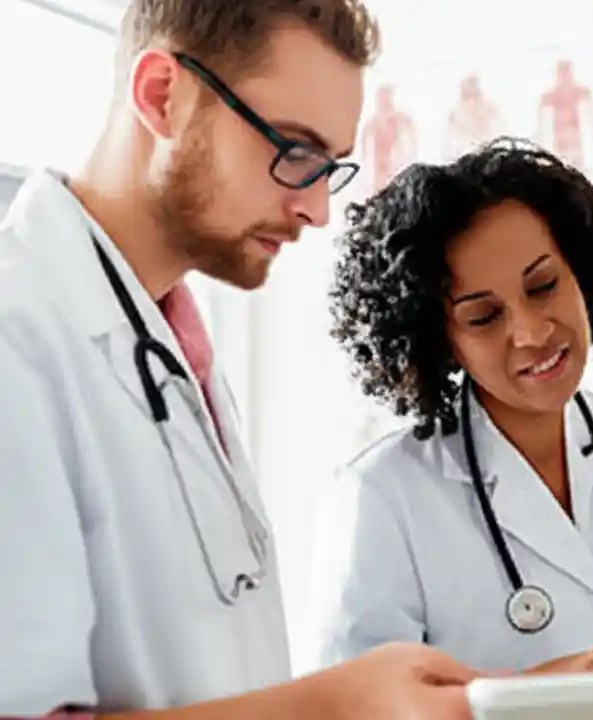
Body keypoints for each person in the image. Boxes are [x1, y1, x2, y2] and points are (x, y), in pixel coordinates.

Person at [0, 1, 482, 718]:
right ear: (162, 95)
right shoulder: (20, 338)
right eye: (293, 151)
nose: (317, 209)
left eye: (330, 168)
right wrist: (327, 709)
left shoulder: (169, 354)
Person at [311, 138, 593, 675]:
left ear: (582, 273)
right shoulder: (385, 494)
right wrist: (544, 694)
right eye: (483, 317)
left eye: (543, 286)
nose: (531, 332)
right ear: (439, 338)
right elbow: (358, 711)